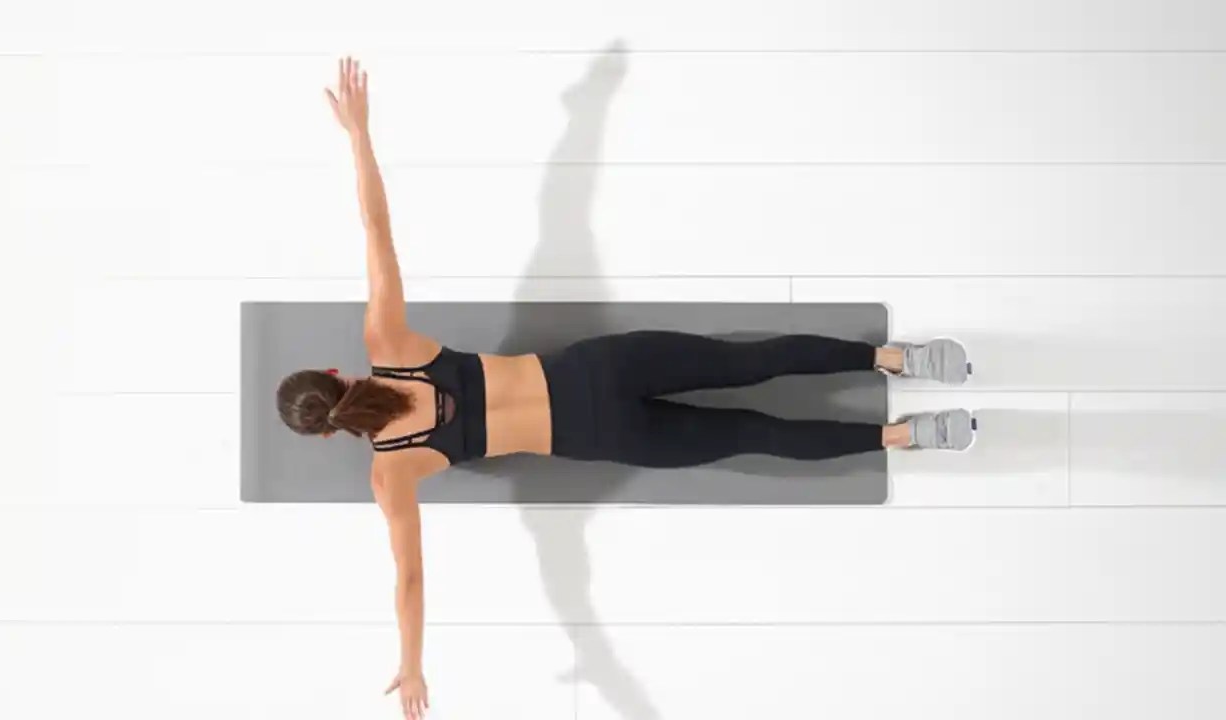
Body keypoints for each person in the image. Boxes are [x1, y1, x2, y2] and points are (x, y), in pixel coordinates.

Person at [278, 56, 977, 720]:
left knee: (756, 434)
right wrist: (359, 135)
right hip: (603, 369)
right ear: (335, 376)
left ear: (329, 433)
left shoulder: (392, 472)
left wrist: (412, 666)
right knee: (753, 362)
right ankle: (896, 359)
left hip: (606, 436)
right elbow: (376, 228)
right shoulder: (389, 346)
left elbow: (409, 581)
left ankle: (904, 436)